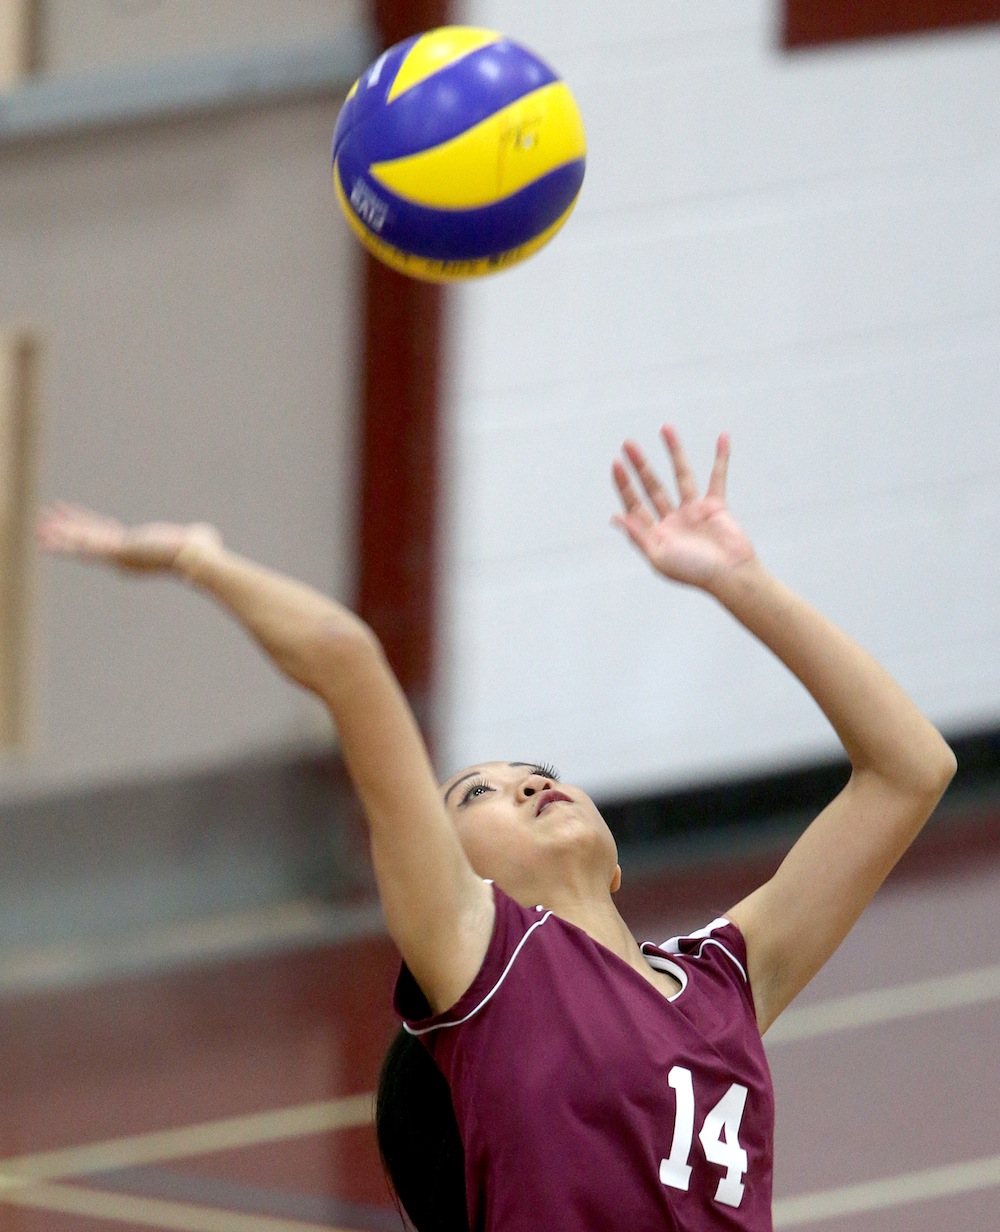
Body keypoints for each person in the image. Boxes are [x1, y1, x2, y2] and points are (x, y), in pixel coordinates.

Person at [38, 427, 956, 1231]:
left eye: (537, 776)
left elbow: (910, 769)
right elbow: (346, 660)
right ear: (446, 872)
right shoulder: (487, 960)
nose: (525, 787)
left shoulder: (725, 983)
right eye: (477, 794)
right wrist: (199, 558)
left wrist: (740, 583)